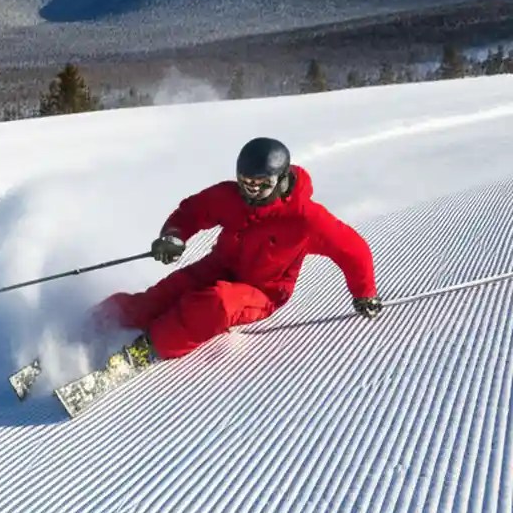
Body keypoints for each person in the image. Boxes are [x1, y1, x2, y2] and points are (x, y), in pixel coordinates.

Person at [104, 137, 383, 363]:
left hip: (263, 290)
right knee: (158, 298)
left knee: (216, 303)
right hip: (217, 266)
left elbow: (352, 250)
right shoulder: (230, 197)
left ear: (282, 179)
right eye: (246, 183)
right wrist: (173, 236)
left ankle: (149, 348)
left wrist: (364, 293)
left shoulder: (306, 218)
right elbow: (192, 211)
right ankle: (91, 321)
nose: (252, 192)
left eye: (262, 186)